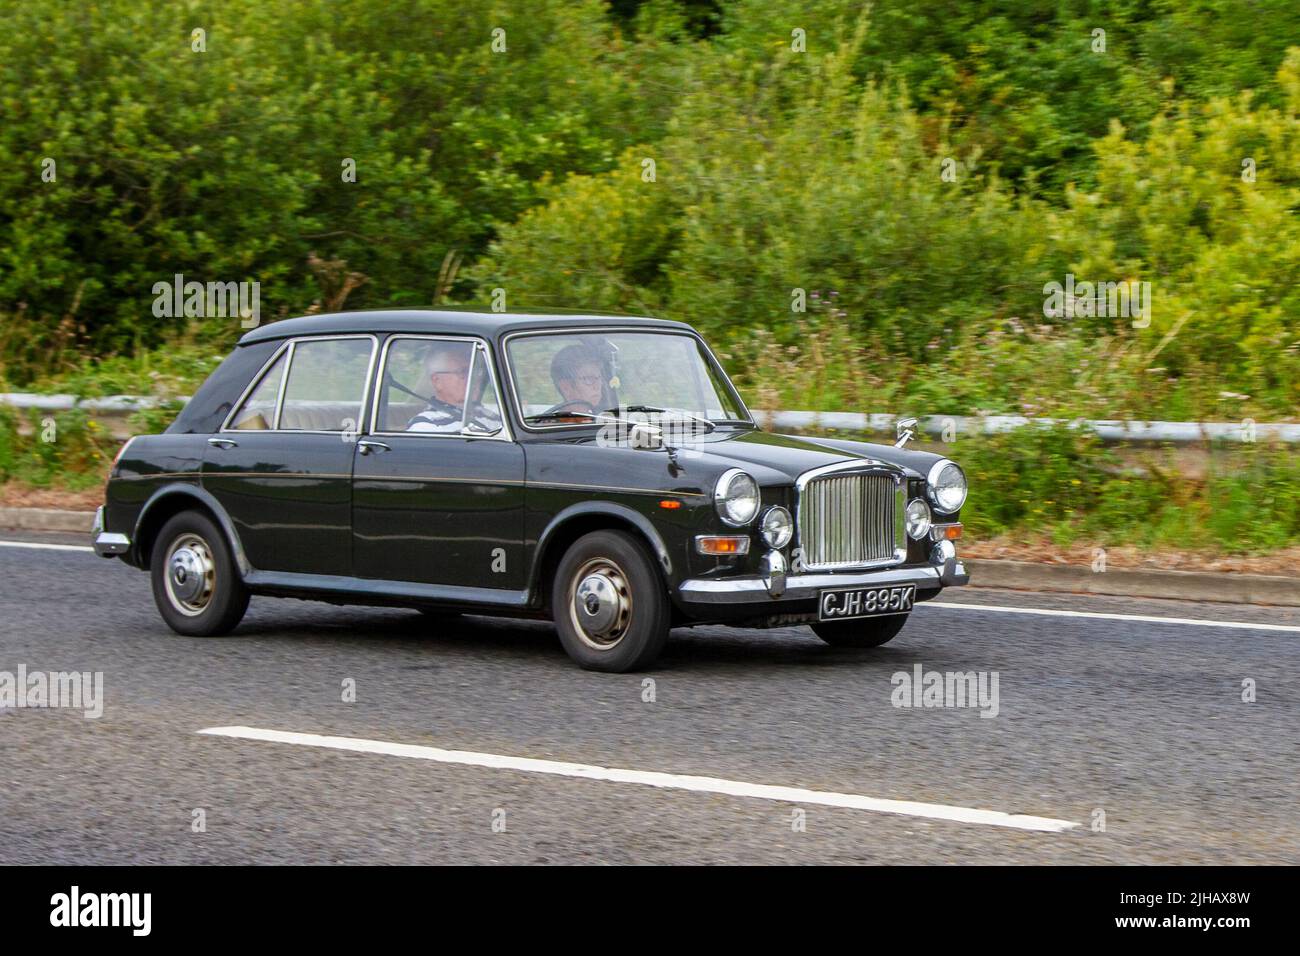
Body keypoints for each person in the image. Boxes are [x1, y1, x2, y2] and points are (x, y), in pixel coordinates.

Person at [407, 342, 502, 433]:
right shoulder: (426, 427)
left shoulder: (494, 412)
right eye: (463, 372)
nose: (475, 378)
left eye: (475, 371)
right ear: (437, 381)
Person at [547, 343, 608, 414]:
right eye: (589, 379)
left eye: (599, 378)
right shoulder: (556, 424)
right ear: (566, 388)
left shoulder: (599, 419)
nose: (597, 386)